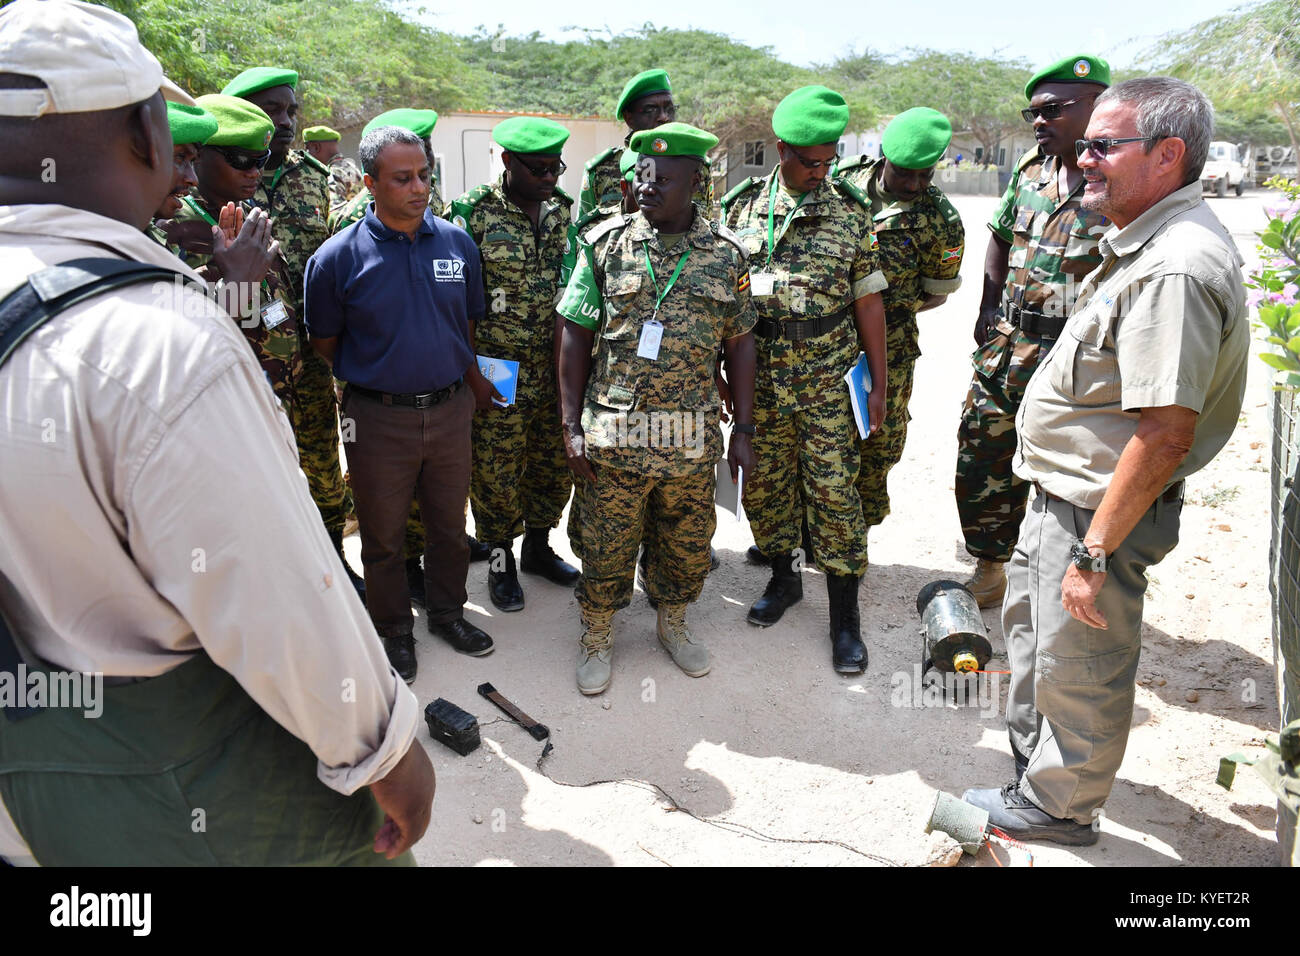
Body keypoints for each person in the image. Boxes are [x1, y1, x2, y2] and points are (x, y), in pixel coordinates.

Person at [0, 0, 432, 866]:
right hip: (187, 776)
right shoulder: (151, 337)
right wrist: (386, 750)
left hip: (40, 784)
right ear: (146, 132)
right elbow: (272, 594)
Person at [961, 77, 1249, 844]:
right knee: (1037, 644)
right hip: (1065, 493)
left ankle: (1060, 807)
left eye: (1102, 145)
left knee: (1079, 661)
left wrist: (1092, 552)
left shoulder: (1175, 267)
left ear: (1168, 154)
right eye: (1082, 144)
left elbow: (1164, 433)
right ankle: (1037, 772)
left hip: (1098, 510)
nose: (1082, 159)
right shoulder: (1145, 241)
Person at [557, 122, 756, 696]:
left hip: (690, 434)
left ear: (697, 181)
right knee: (604, 539)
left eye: (664, 178)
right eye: (643, 174)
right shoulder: (604, 245)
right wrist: (570, 426)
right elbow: (573, 334)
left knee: (688, 538)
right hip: (614, 432)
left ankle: (673, 619)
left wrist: (742, 428)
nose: (648, 186)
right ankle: (596, 631)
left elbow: (741, 344)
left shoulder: (725, 257)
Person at [305, 126, 500, 682]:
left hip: (449, 410)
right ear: (370, 183)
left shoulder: (458, 246)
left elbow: (463, 328)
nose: (419, 188)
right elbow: (325, 344)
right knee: (383, 538)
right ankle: (393, 631)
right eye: (402, 178)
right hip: (375, 418)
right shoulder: (337, 258)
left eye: (424, 175)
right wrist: (380, 378)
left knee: (447, 526)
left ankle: (446, 615)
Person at [722, 85, 887, 674]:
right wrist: (721, 374)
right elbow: (724, 301)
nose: (821, 170)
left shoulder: (849, 211)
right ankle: (785, 579)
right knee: (767, 489)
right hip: (760, 377)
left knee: (835, 495)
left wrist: (880, 383)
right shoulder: (738, 209)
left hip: (826, 376)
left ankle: (845, 618)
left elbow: (869, 302)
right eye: (809, 160)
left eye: (830, 159)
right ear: (781, 150)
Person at [954, 55, 1112, 608]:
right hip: (1008, 346)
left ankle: (1057, 585)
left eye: (1052, 110)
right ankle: (991, 567)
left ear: (1096, 107)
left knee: (1063, 473)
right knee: (982, 457)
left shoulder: (1119, 182)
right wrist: (987, 304)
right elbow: (998, 234)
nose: (1039, 122)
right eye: (1033, 112)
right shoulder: (1030, 171)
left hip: (1076, 356)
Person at [222, 66, 363, 601]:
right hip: (248, 368)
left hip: (312, 359)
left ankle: (333, 563)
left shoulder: (312, 177)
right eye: (270, 111)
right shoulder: (219, 182)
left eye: (290, 110)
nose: (284, 122)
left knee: (325, 467)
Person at [449, 116, 580, 612]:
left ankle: (539, 550)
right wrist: (471, 374)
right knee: (497, 469)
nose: (550, 178)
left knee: (550, 464)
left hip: (553, 365)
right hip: (496, 368)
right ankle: (501, 563)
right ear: (507, 161)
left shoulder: (562, 212)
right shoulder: (471, 213)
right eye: (539, 168)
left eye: (556, 167)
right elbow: (455, 304)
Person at [834, 108, 965, 542]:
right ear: (883, 157)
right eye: (905, 173)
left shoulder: (940, 220)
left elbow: (936, 293)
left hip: (891, 346)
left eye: (924, 176)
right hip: (823, 339)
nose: (914, 185)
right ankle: (800, 536)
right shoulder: (842, 183)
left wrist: (880, 311)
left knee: (877, 440)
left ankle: (856, 537)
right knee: (821, 436)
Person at [169, 94, 304, 418]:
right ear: (200, 156)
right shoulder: (174, 227)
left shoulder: (248, 215)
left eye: (262, 160)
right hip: (221, 411)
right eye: (243, 160)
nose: (255, 173)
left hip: (275, 404)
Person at [578, 69, 713, 220]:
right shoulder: (601, 169)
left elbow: (704, 224)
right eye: (651, 109)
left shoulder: (694, 165)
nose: (664, 116)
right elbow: (585, 231)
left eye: (669, 109)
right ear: (629, 117)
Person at [331, 107, 444, 230]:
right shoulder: (357, 216)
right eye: (403, 178)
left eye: (427, 149)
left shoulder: (428, 185)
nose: (419, 187)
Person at [303, 124, 364, 211]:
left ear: (316, 147)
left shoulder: (332, 173)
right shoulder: (351, 166)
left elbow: (334, 213)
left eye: (307, 149)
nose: (306, 154)